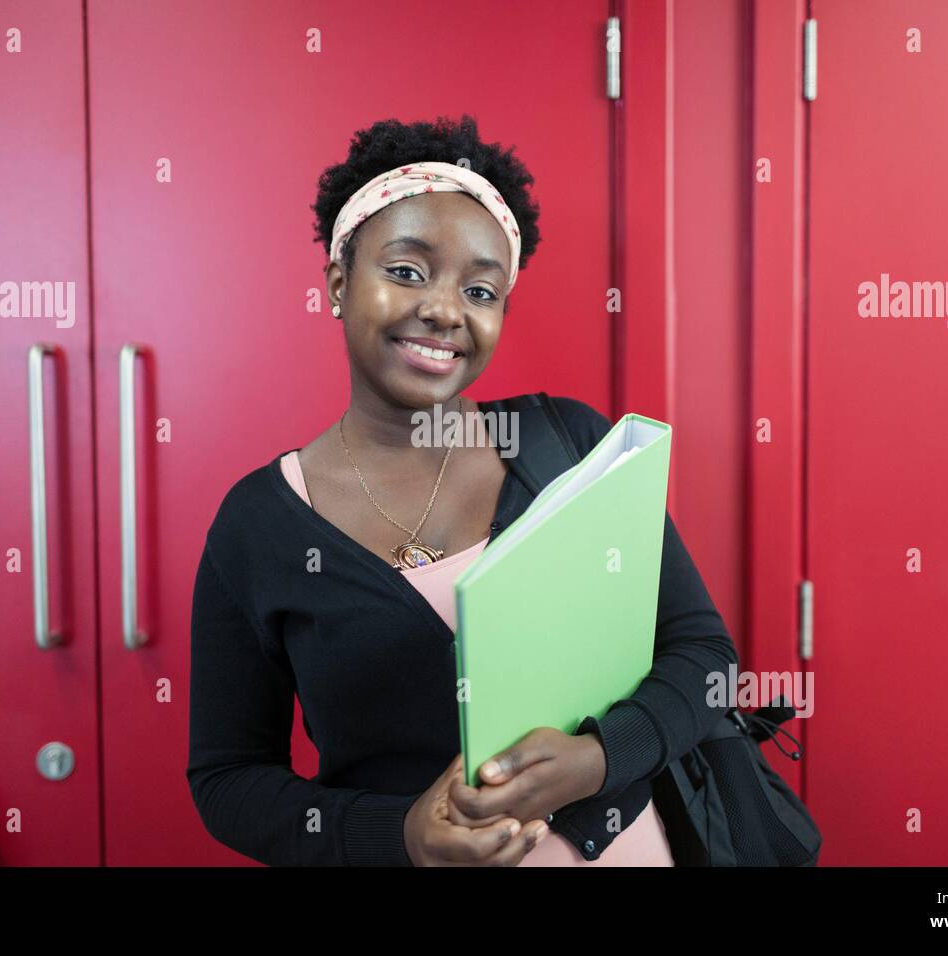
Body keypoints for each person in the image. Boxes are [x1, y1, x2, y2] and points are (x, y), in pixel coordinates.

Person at [187, 114, 738, 866]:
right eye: (407, 271)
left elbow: (706, 657)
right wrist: (402, 835)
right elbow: (228, 781)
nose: (445, 309)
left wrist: (598, 758)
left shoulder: (571, 447)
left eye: (481, 289)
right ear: (340, 284)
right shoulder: (257, 525)